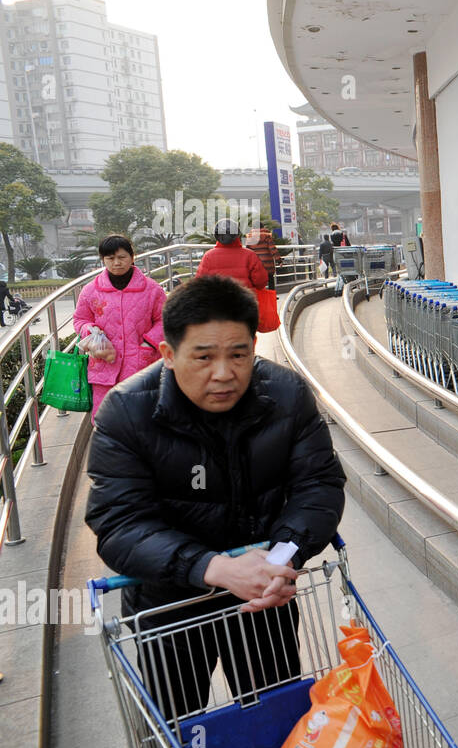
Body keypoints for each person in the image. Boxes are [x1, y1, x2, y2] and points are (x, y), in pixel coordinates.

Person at [84, 275, 346, 722]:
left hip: (265, 595)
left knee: (274, 717)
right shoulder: (127, 412)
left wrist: (282, 557)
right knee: (178, 724)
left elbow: (318, 485)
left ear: (254, 347)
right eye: (203, 357)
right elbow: (118, 523)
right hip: (171, 603)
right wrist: (214, 568)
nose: (224, 373)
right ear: (168, 355)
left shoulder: (287, 395)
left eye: (239, 355)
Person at [71, 234, 167, 417]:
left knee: (143, 417)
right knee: (105, 419)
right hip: (104, 365)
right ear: (103, 260)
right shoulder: (90, 290)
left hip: (142, 365)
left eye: (122, 257)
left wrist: (149, 343)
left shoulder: (152, 289)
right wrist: (89, 330)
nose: (116, 263)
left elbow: (165, 320)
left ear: (132, 257)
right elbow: (80, 320)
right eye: (110, 258)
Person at [195, 218, 267, 290]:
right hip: (245, 299)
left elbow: (199, 283)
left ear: (217, 236)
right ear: (237, 234)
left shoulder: (208, 256)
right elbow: (261, 282)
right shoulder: (250, 255)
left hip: (215, 300)